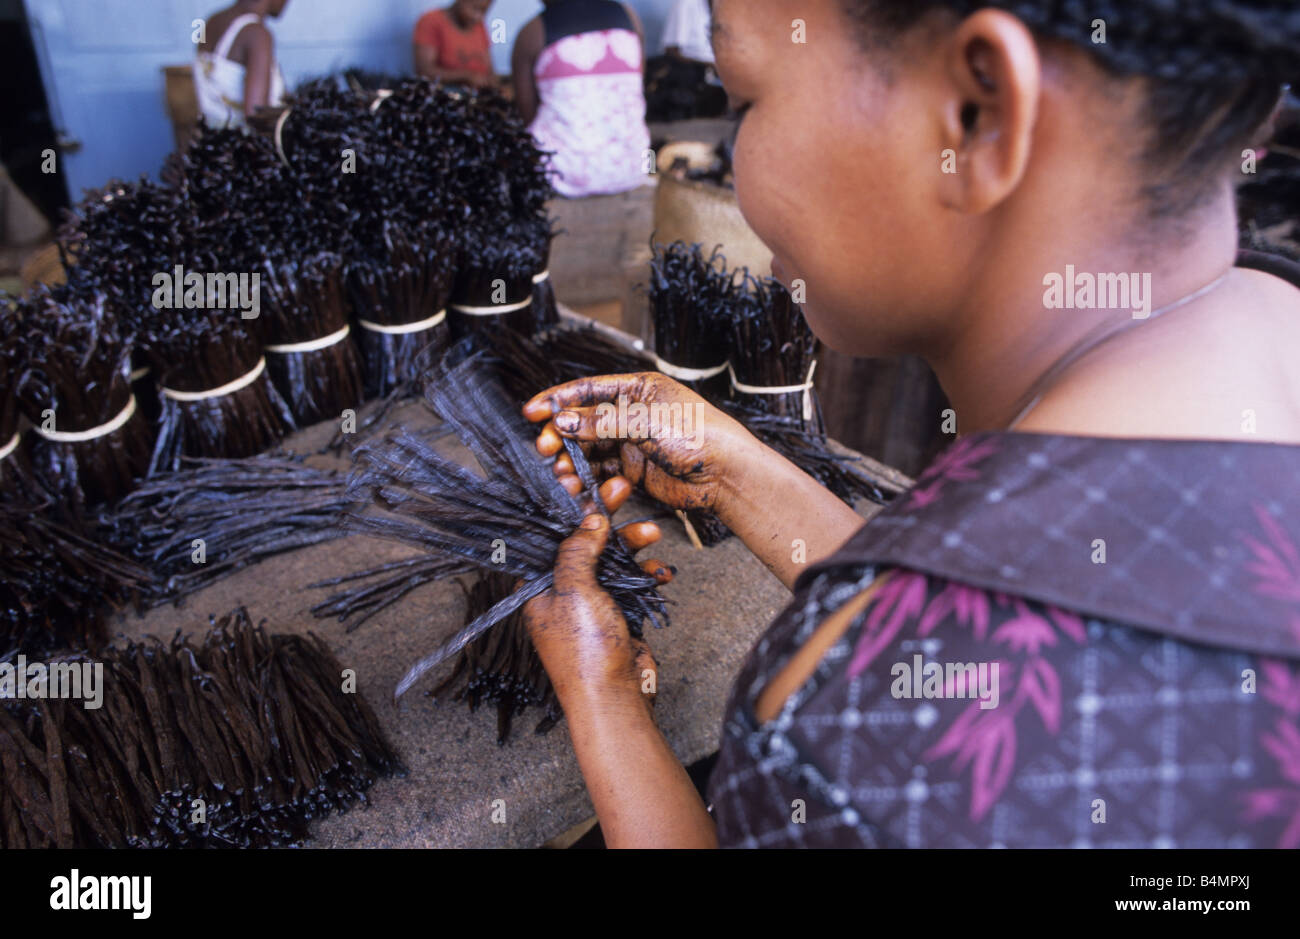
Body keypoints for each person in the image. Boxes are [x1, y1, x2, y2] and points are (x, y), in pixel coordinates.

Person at [519, 0, 1300, 848]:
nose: (737, 161)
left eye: (744, 99)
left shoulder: (861, 745)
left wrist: (604, 702)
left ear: (977, 114)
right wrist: (739, 468)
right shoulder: (1271, 332)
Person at [511, 0, 651, 197]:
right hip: (636, 168)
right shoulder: (630, 18)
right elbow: (636, 90)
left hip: (562, 176)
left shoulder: (532, 33)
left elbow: (527, 114)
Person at [193, 0, 289, 128]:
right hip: (246, 145)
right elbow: (257, 120)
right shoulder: (257, 34)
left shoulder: (211, 22)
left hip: (213, 142)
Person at [413, 1, 495, 89]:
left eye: (484, 11)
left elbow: (489, 69)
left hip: (481, 95)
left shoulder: (479, 26)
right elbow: (424, 71)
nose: (478, 17)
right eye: (474, 8)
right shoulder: (431, 21)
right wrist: (466, 76)